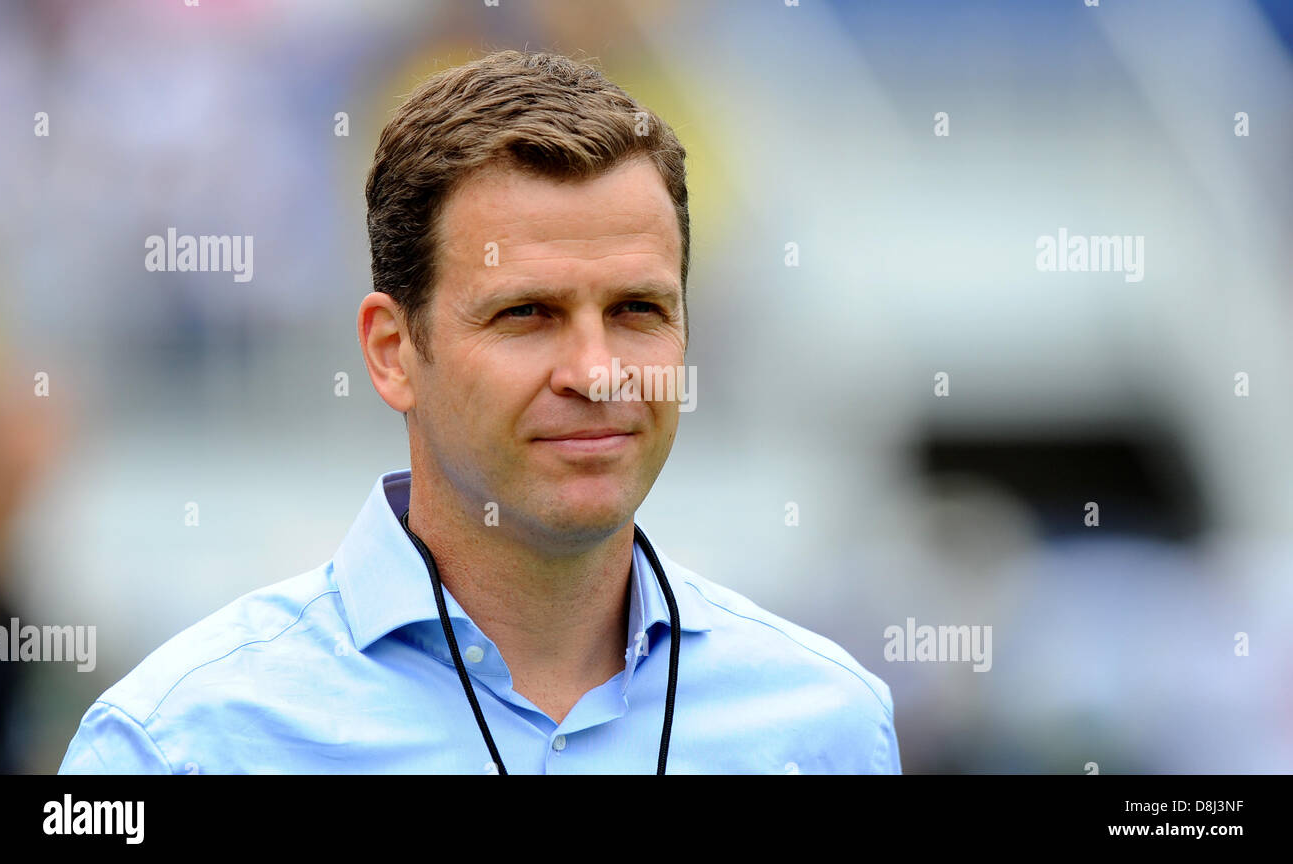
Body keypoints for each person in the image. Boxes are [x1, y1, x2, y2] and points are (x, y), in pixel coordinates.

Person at [59, 49, 900, 774]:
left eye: (638, 310)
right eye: (526, 313)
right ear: (393, 352)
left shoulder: (827, 724)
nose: (597, 372)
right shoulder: (179, 745)